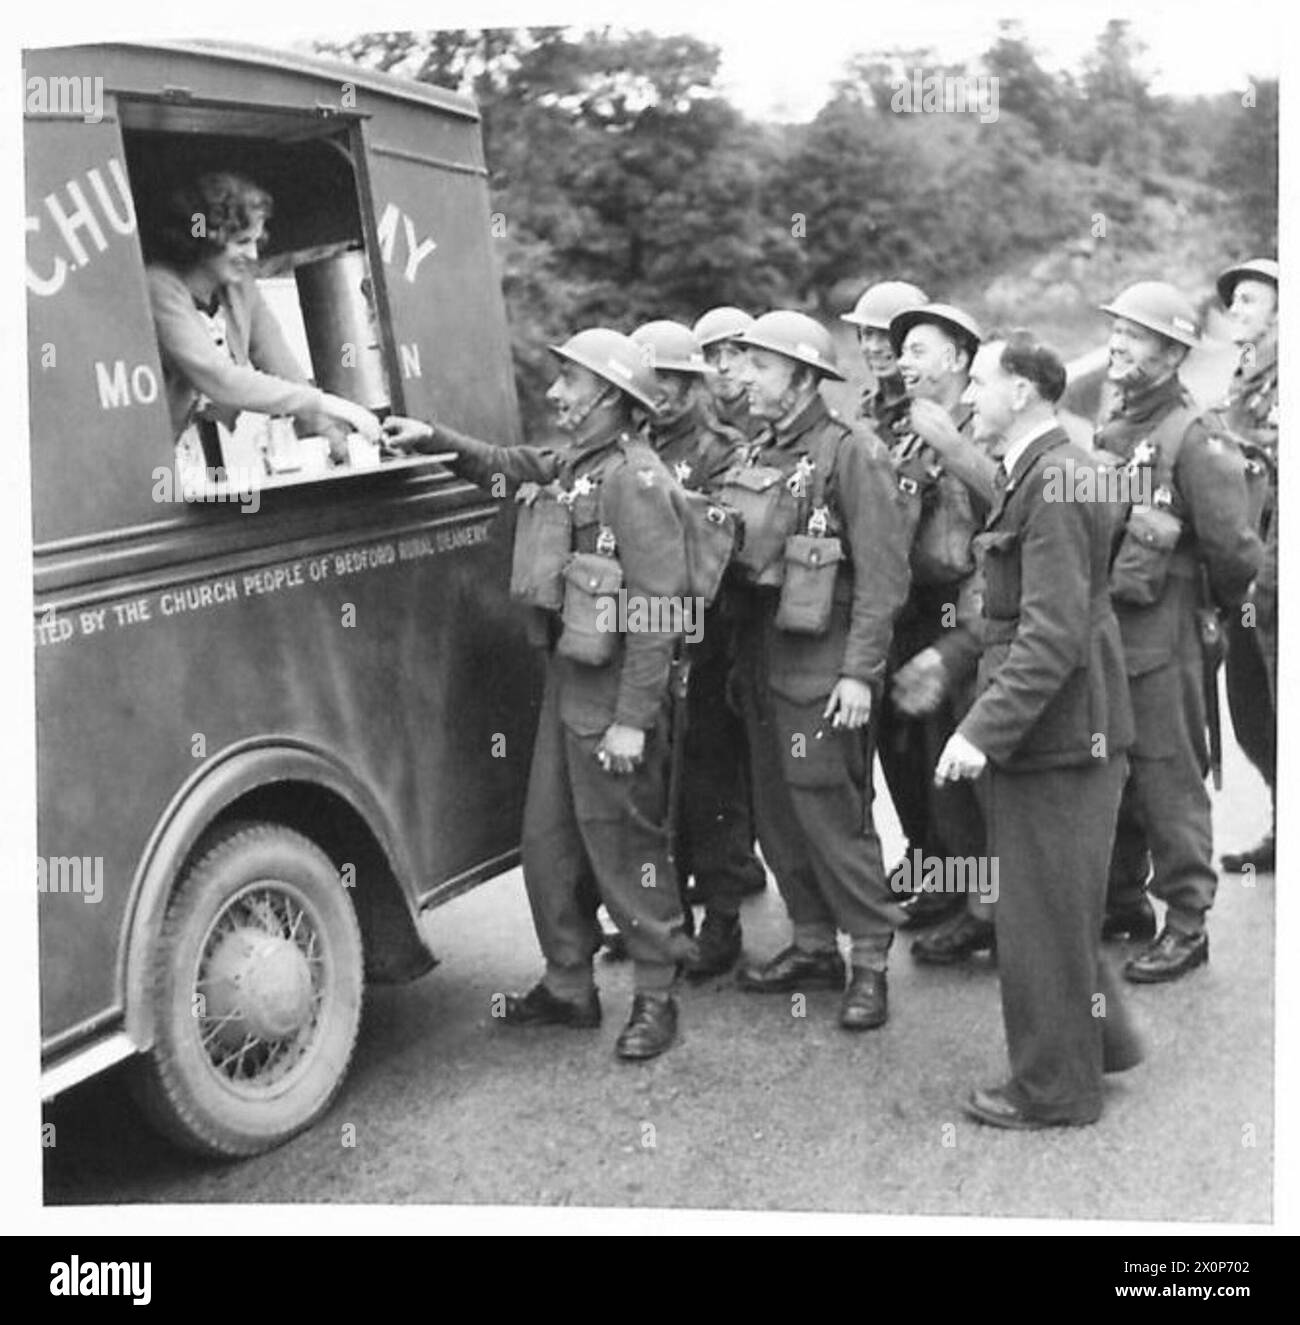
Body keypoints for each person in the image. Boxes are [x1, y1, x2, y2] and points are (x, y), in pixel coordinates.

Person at [383, 328, 692, 1059]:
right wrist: (432, 439)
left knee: (624, 844)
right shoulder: (575, 465)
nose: (555, 392)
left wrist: (632, 721)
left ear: (609, 395)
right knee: (548, 842)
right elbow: (505, 468)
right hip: (568, 682)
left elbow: (661, 613)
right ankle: (568, 984)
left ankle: (656, 993)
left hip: (614, 694)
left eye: (570, 381)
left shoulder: (636, 480)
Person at [935, 330, 1142, 1129]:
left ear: (1020, 391)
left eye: (978, 381)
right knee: (1056, 903)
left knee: (1039, 918)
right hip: (1057, 730)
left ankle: (1055, 1089)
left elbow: (1051, 634)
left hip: (1057, 736)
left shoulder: (1053, 480)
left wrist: (978, 732)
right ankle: (1101, 1043)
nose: (966, 397)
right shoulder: (1045, 469)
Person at [726, 311, 911, 1030]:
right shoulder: (759, 449)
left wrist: (860, 673)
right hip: (762, 667)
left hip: (824, 671)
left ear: (802, 378)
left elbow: (884, 576)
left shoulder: (851, 452)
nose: (744, 378)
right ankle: (811, 944)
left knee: (832, 815)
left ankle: (869, 959)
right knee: (778, 813)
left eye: (760, 366)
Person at [1095, 282, 1263, 981]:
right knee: (1117, 770)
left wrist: (1206, 614)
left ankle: (1188, 922)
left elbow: (1236, 551)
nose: (1116, 344)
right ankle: (1125, 900)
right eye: (1116, 331)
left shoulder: (1195, 435)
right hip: (1113, 626)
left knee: (1169, 777)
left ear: (1170, 353)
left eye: (1133, 336)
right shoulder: (1117, 425)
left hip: (1168, 631)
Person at [630, 320, 766, 979]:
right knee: (661, 788)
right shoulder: (633, 446)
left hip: (708, 644)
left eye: (670, 380)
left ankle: (723, 920)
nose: (658, 392)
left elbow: (722, 546)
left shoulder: (724, 451)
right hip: (649, 641)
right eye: (649, 380)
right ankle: (670, 917)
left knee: (713, 786)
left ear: (692, 385)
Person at [877, 304, 991, 939]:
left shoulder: (981, 423)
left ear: (958, 358)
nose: (904, 362)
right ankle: (950, 888)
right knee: (925, 763)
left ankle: (983, 908)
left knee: (966, 766)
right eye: (903, 351)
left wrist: (953, 445)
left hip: (968, 608)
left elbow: (1011, 495)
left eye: (918, 350)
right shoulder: (908, 430)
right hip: (917, 609)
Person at [144, 171, 381, 474]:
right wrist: (331, 404)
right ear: (203, 238)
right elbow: (219, 379)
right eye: (242, 242)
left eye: (256, 241)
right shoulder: (158, 288)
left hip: (193, 458)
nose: (253, 254)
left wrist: (341, 444)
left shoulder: (240, 287)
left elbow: (284, 370)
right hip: (144, 463)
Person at [1214, 258, 1278, 873]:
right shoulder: (1242, 378)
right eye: (1233, 301)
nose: (1236, 310)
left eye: (1251, 300)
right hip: (1246, 575)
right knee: (1251, 711)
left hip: (1276, 574)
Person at [839, 280, 928, 441]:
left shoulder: (935, 412)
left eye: (887, 335)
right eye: (868, 334)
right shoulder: (864, 412)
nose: (874, 347)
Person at [691, 306, 766, 443]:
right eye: (712, 355)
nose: (723, 366)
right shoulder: (690, 421)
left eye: (733, 353)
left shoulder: (771, 419)